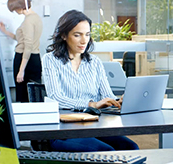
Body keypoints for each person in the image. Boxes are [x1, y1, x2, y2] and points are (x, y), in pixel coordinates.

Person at [42, 9, 139, 152]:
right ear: (63, 35)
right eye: (77, 35)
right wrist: (92, 104)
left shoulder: (95, 62)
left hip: (94, 125)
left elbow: (107, 96)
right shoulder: (50, 60)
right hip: (64, 130)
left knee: (131, 147)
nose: (84, 40)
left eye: (87, 35)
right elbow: (55, 97)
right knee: (106, 152)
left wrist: (117, 101)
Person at [0, 0, 42, 102]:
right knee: (34, 95)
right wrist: (5, 31)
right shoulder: (36, 18)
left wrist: (21, 70)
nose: (15, 12)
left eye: (14, 9)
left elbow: (28, 46)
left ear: (20, 6)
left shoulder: (28, 21)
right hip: (35, 59)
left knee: (22, 95)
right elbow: (22, 40)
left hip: (24, 59)